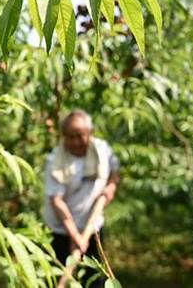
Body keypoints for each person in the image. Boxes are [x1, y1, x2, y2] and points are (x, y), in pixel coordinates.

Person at [44, 109, 120, 287]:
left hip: (92, 228)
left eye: (80, 136)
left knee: (95, 280)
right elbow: (56, 201)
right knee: (57, 277)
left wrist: (111, 187)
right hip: (60, 231)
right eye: (70, 137)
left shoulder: (102, 151)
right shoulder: (55, 161)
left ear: (90, 133)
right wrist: (76, 237)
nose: (75, 142)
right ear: (63, 136)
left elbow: (115, 172)